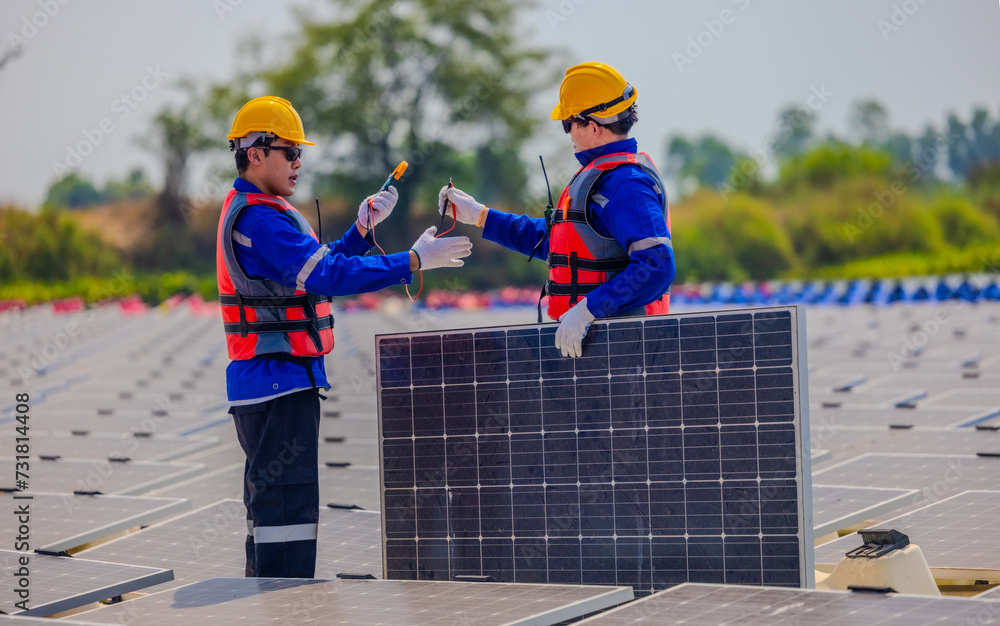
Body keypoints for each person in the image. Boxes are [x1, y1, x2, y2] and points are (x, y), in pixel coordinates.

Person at [217, 95, 472, 578]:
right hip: (277, 385)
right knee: (285, 515)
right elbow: (327, 277)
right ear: (255, 153)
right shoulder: (261, 220)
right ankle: (281, 607)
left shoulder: (259, 210)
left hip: (271, 382)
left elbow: (313, 268)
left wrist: (361, 229)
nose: (298, 162)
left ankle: (270, 598)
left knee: (275, 510)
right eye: (289, 151)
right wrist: (411, 262)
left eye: (300, 153)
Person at [439, 62, 675, 358]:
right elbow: (558, 244)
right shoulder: (603, 178)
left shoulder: (625, 185)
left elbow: (657, 265)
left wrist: (588, 310)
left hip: (625, 349)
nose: (568, 134)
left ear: (593, 126)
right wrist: (481, 216)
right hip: (602, 344)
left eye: (568, 124)